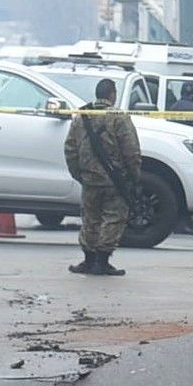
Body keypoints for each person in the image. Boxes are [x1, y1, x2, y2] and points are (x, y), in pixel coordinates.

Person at [63, 77, 143, 277]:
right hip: (114, 180)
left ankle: (88, 260)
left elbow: (70, 149)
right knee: (113, 218)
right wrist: (134, 177)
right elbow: (131, 151)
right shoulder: (119, 117)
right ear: (112, 95)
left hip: (90, 179)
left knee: (90, 218)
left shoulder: (82, 116)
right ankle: (102, 261)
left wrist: (79, 174)